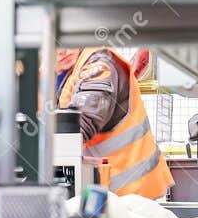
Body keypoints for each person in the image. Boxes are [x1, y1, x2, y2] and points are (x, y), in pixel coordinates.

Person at [54, 47, 173, 199]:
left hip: (133, 198)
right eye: (55, 45)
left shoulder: (100, 66)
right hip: (110, 197)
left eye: (66, 40)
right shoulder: (64, 74)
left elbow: (79, 126)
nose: (63, 50)